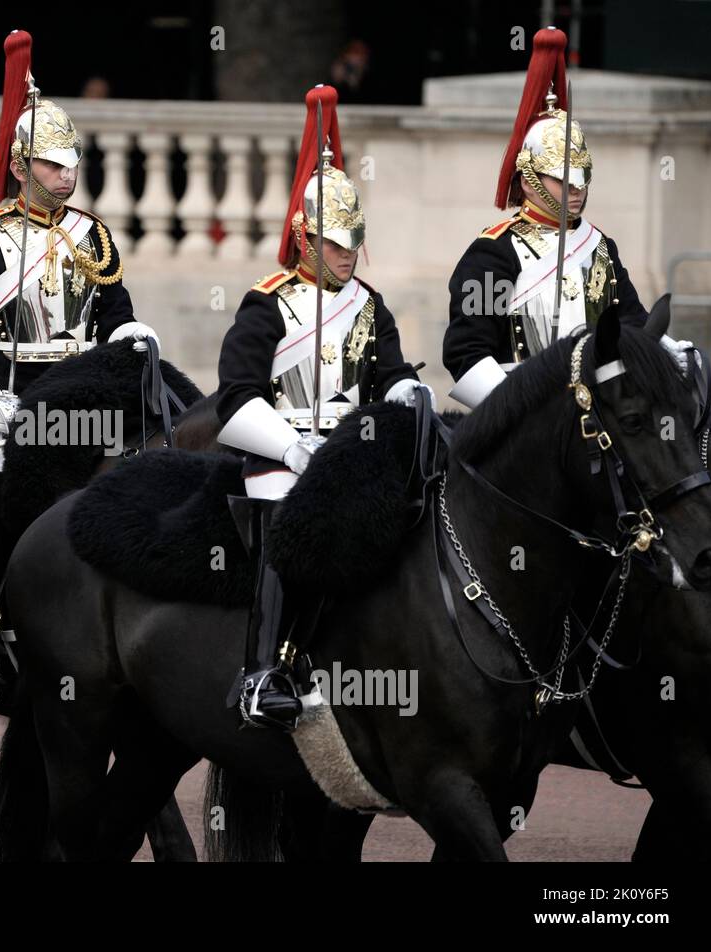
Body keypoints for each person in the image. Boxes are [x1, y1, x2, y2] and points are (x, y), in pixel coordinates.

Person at [0, 30, 156, 700]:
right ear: (23, 165)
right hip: (3, 395)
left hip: (79, 392)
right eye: (56, 165)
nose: (69, 174)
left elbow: (114, 316)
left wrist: (135, 335)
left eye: (73, 164)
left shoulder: (94, 235)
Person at [214, 84, 428, 731]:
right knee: (290, 520)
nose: (347, 254)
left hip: (352, 456)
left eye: (354, 242)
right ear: (306, 237)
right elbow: (235, 399)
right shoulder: (266, 303)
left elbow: (389, 374)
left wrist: (408, 395)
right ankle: (263, 675)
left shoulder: (370, 304)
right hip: (285, 453)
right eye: (335, 242)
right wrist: (292, 447)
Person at [443, 26, 685, 408]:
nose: (576, 190)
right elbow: (466, 353)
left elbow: (632, 322)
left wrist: (668, 348)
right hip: (525, 419)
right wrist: (518, 411)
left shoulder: (600, 247)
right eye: (561, 180)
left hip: (601, 411)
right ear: (527, 180)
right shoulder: (492, 254)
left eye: (580, 179)